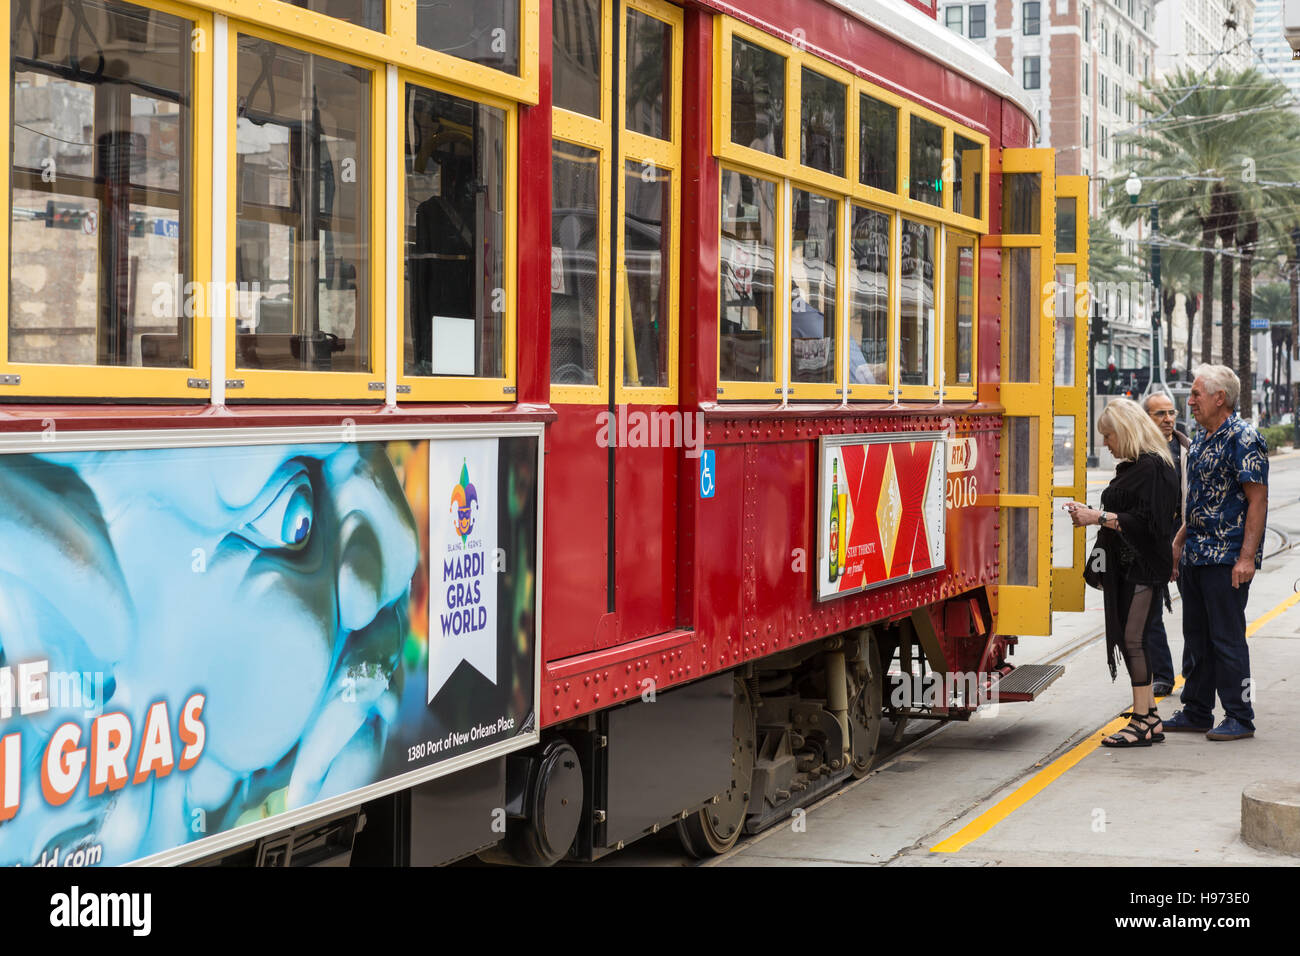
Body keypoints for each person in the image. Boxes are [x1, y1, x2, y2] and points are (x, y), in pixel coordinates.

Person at [1067, 398, 1180, 747]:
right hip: (1130, 567)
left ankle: (1143, 719)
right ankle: (1149, 716)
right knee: (1135, 639)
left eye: (1108, 435)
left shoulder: (1153, 467)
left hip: (1143, 567)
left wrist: (1096, 517)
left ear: (1126, 431)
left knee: (1133, 640)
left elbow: (1150, 525)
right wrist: (1094, 515)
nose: (1105, 443)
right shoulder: (1138, 465)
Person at [1165, 365, 1267, 741]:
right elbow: (1199, 502)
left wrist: (1246, 558)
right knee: (1197, 638)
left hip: (1226, 558)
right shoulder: (1202, 438)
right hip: (1196, 554)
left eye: (1196, 394)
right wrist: (1179, 542)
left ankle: (1240, 715)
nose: (1189, 402)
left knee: (1227, 639)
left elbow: (1257, 501)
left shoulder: (1244, 437)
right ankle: (1196, 711)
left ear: (1219, 397)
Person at [1141, 391, 1191, 697]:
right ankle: (1162, 675)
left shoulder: (1187, 449)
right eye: (1160, 413)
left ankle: (1192, 673)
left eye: (1171, 412)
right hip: (1151, 536)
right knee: (1150, 611)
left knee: (1194, 608)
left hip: (1182, 531)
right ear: (1146, 418)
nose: (1168, 419)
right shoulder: (1138, 451)